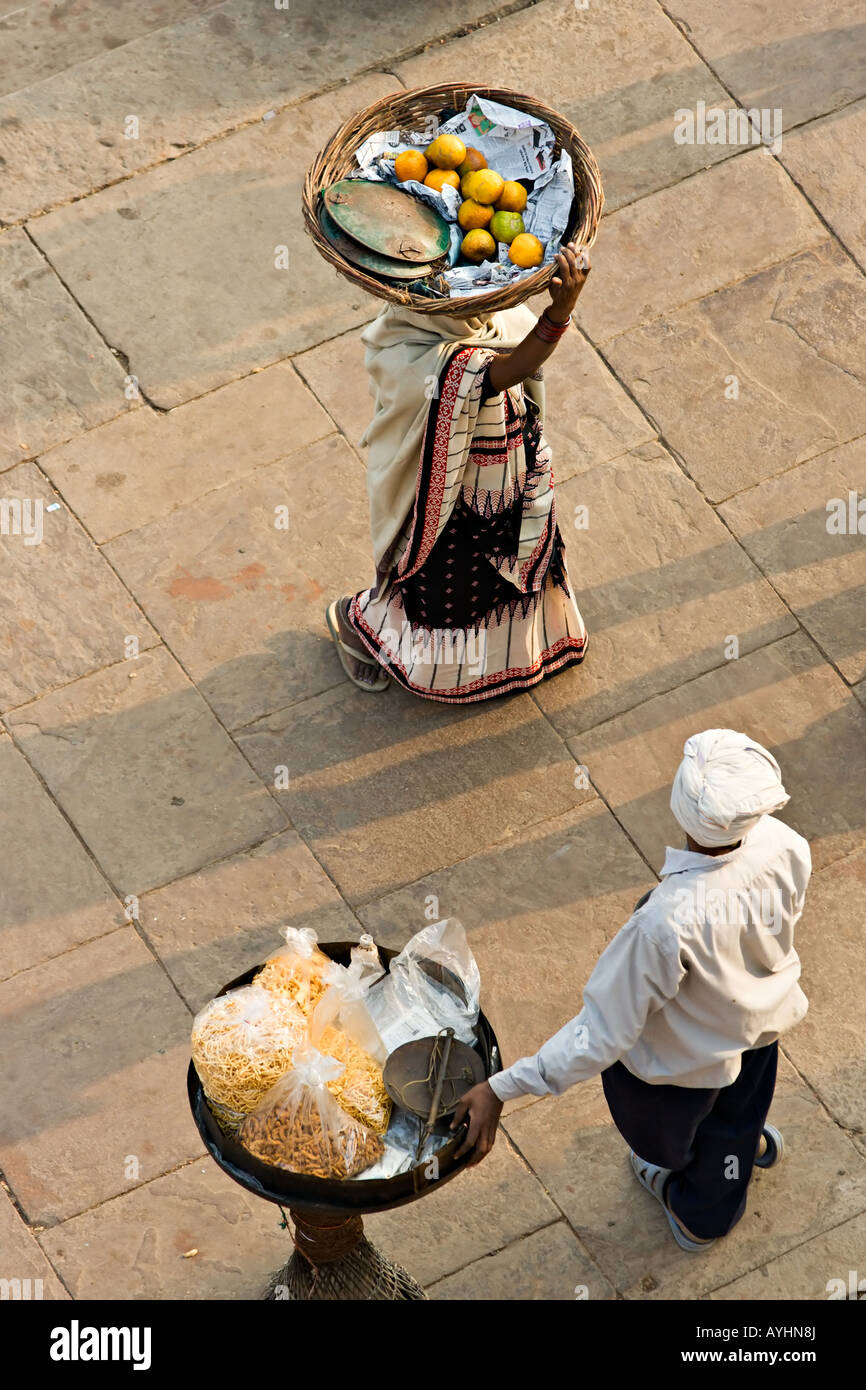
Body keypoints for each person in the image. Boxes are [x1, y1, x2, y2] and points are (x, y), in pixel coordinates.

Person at [452, 729, 812, 1251]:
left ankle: (701, 1218)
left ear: (680, 807)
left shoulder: (663, 925)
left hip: (683, 1074)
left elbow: (599, 1036)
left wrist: (500, 1087)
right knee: (739, 1112)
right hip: (759, 1032)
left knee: (675, 1141)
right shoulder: (786, 843)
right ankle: (735, 1152)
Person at [325, 243, 591, 701]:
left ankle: (512, 656)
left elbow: (509, 360)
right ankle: (356, 623)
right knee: (448, 588)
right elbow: (502, 372)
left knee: (514, 563)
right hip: (444, 498)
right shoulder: (413, 348)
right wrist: (558, 315)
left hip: (505, 471)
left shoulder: (489, 322)